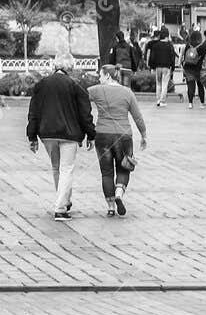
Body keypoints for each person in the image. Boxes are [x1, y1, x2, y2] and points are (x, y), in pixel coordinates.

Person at [26, 53, 96, 220]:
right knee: (66, 169)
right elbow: (85, 114)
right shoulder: (75, 85)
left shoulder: (42, 84)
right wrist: (91, 134)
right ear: (70, 67)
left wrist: (32, 136)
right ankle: (60, 208)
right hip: (69, 134)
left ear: (55, 65)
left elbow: (33, 112)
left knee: (57, 168)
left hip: (47, 133)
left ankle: (64, 200)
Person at [87, 64, 148, 217]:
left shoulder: (95, 90)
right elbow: (137, 116)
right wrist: (144, 135)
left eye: (100, 75)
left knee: (106, 172)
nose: (99, 78)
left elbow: (79, 99)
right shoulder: (127, 92)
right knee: (124, 168)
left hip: (102, 135)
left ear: (108, 75)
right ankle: (119, 192)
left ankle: (110, 207)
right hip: (124, 136)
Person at [144, 26, 176, 107]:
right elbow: (172, 57)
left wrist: (152, 66)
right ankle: (162, 101)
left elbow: (152, 57)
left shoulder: (156, 45)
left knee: (158, 83)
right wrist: (173, 67)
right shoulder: (169, 45)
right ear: (167, 36)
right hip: (166, 67)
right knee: (164, 84)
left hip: (158, 67)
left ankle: (158, 99)